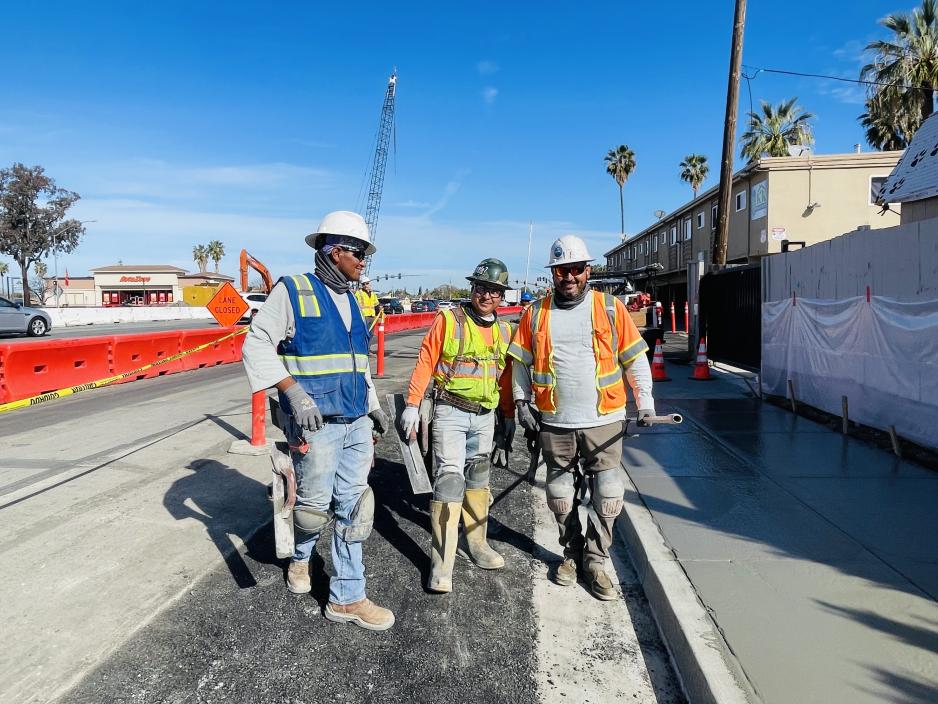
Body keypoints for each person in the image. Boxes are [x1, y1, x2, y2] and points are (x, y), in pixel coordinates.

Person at [241, 211, 394, 630]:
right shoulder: (293, 291)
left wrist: (375, 405)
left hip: (356, 419)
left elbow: (357, 363)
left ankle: (347, 596)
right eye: (360, 252)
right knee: (312, 509)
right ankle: (302, 556)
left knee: (356, 506)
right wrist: (292, 392)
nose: (364, 261)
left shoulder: (355, 299)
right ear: (336, 251)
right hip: (316, 425)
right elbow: (256, 345)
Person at [507, 235, 655, 601]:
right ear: (553, 274)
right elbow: (520, 364)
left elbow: (635, 359)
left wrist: (646, 402)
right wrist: (521, 401)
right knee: (559, 494)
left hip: (603, 419)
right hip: (555, 421)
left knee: (608, 493)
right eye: (562, 270)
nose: (569, 277)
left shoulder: (610, 308)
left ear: (588, 270)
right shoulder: (536, 313)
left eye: (576, 269)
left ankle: (596, 560)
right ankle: (571, 554)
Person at [400, 258, 515, 593]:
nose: (487, 295)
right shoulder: (450, 320)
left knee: (478, 479)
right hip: (450, 411)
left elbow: (504, 377)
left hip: (485, 416)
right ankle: (442, 563)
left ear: (501, 296)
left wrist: (507, 415)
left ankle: (477, 544)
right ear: (473, 289)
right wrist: (412, 403)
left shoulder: (504, 330)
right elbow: (426, 359)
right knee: (449, 481)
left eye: (494, 291)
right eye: (481, 288)